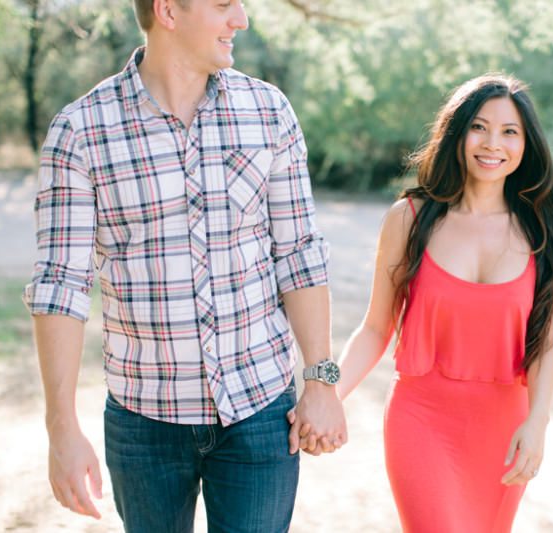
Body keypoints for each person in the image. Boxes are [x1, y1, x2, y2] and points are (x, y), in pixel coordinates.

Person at [22, 1, 346, 531]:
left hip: (261, 412)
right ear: (168, 10)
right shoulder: (81, 131)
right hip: (143, 421)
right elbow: (61, 285)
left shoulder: (268, 112)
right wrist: (61, 428)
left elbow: (301, 254)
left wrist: (322, 382)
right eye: (223, 5)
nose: (240, 19)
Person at [331, 74, 553, 531]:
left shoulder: (542, 230)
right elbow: (374, 329)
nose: (492, 143)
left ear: (527, 144)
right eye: (479, 127)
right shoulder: (410, 219)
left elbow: (545, 340)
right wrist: (329, 391)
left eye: (509, 131)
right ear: (458, 132)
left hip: (504, 426)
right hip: (421, 417)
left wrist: (538, 422)